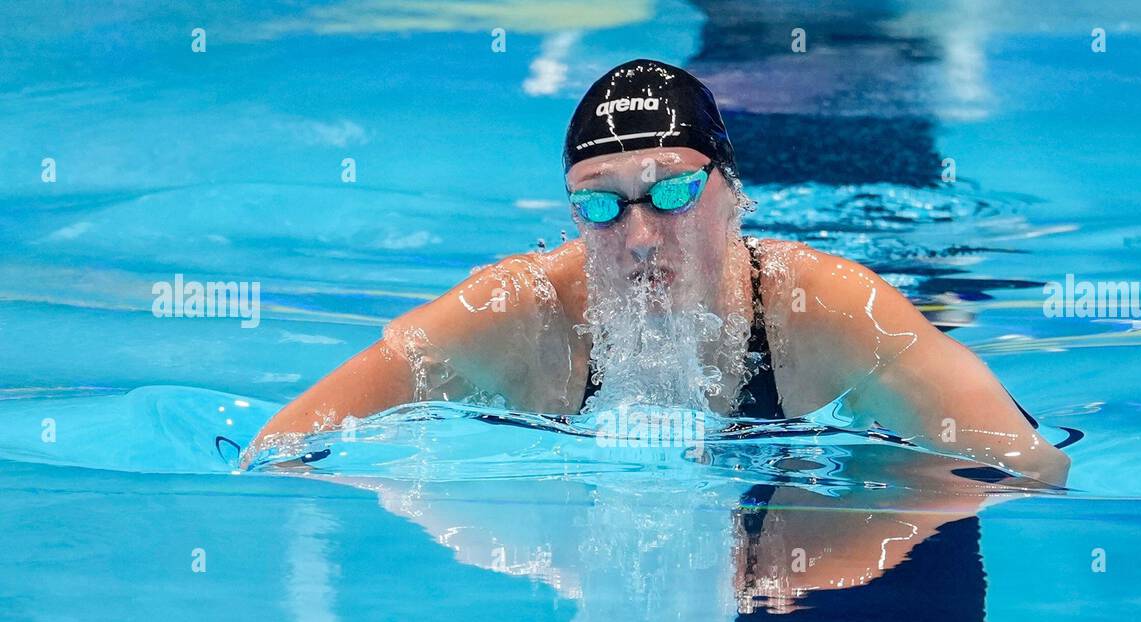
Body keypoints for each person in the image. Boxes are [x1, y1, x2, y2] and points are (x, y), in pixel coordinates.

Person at [243, 58, 1070, 485]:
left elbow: (1031, 468)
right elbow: (279, 449)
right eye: (600, 205)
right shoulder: (516, 309)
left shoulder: (829, 309)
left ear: (731, 193)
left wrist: (822, 542)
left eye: (672, 191)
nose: (639, 236)